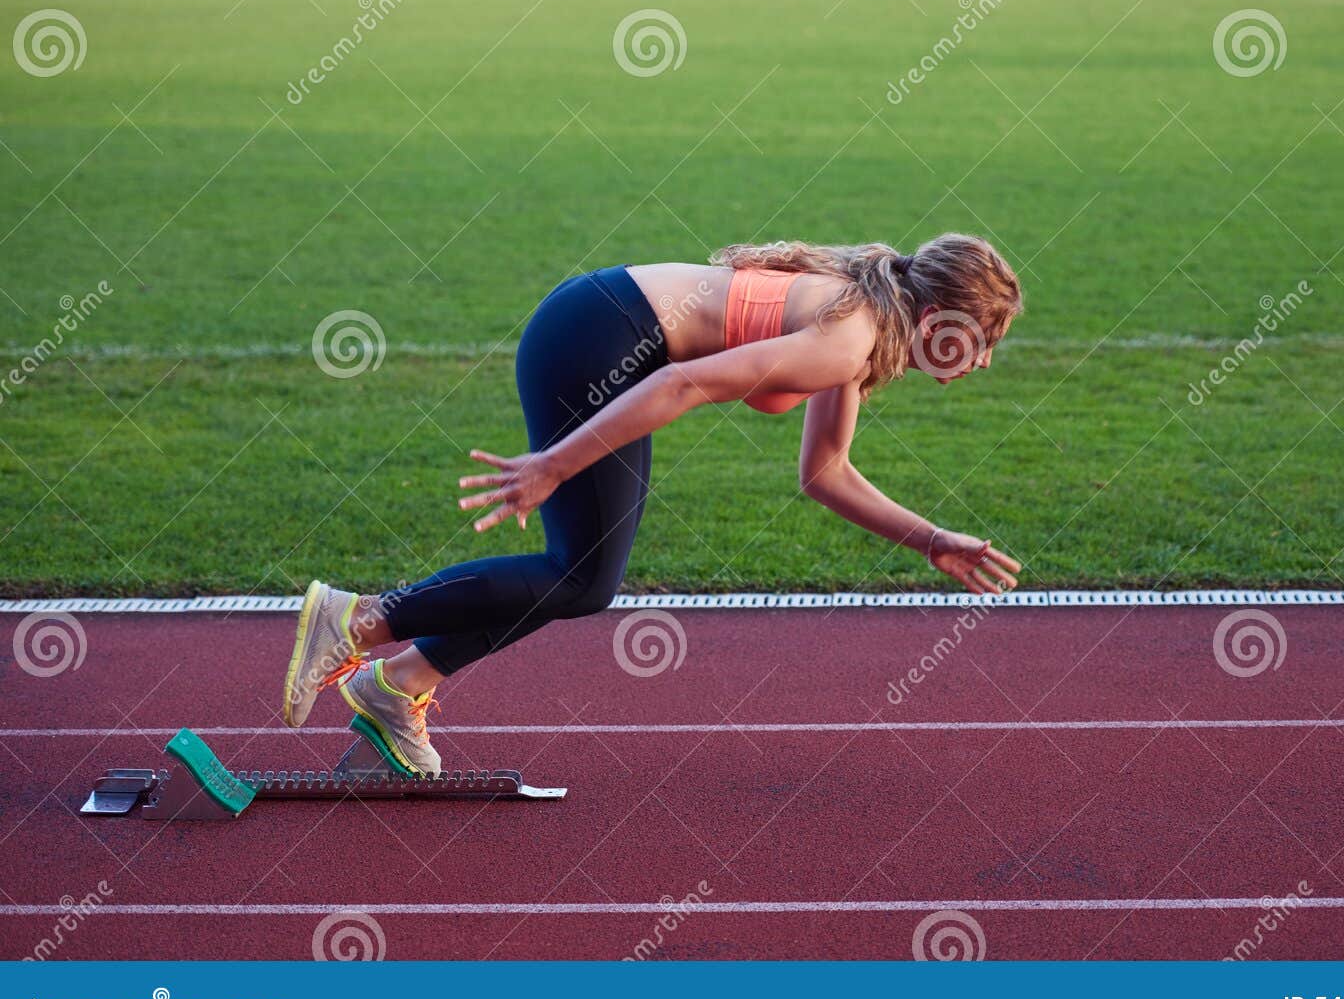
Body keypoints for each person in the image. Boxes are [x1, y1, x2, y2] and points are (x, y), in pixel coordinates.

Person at [281, 234, 1024, 775]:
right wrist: (552, 466)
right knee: (582, 577)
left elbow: (825, 471)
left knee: (582, 574)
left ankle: (398, 683)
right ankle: (358, 620)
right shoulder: (849, 336)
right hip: (596, 339)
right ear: (936, 325)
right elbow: (681, 386)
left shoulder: (863, 326)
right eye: (983, 340)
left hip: (600, 330)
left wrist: (929, 538)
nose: (987, 360)